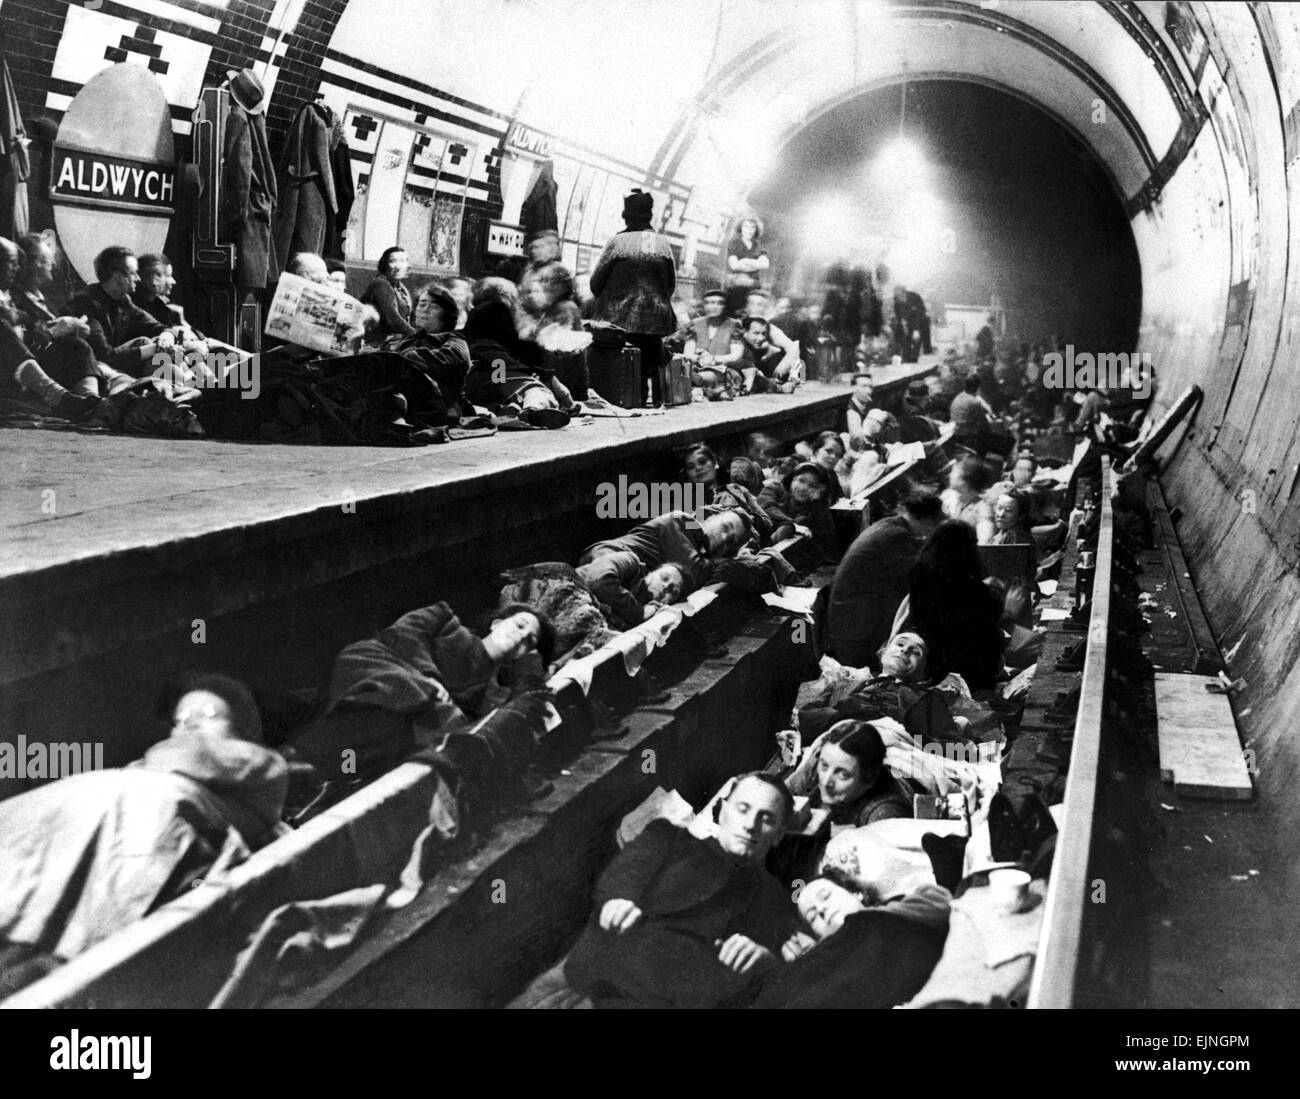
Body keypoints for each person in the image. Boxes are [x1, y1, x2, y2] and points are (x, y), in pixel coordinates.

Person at [0, 673, 289, 989]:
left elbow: (188, 756)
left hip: (145, 822)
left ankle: (38, 965)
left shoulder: (262, 763)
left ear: (242, 729)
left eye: (208, 716)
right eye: (180, 720)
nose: (189, 725)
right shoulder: (148, 770)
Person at [565, 772, 800, 1008]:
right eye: (742, 809)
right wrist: (619, 900)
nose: (750, 825)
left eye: (767, 818)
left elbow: (782, 975)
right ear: (723, 811)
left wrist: (766, 962)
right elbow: (626, 874)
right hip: (612, 975)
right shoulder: (668, 838)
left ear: (779, 834)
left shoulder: (774, 899)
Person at [287, 601, 556, 784]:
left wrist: (531, 663)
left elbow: (509, 711)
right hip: (377, 663)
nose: (521, 637)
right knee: (431, 706)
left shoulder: (491, 693)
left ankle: (302, 762)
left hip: (410, 709)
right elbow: (405, 632)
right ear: (497, 623)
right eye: (520, 625)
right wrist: (430, 679)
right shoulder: (444, 617)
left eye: (530, 641)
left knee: (411, 727)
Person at [754, 864, 951, 1009]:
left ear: (857, 892)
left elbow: (942, 902)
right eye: (813, 916)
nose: (822, 909)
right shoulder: (822, 958)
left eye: (825, 896)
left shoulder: (904, 909)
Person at [827, 491, 943, 667]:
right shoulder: (896, 535)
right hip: (855, 626)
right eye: (933, 524)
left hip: (850, 615)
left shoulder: (890, 525)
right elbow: (919, 577)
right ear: (926, 520)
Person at [589, 189, 677, 406]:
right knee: (649, 352)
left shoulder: (618, 242)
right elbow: (670, 284)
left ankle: (623, 398)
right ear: (650, 215)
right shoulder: (663, 243)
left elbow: (596, 282)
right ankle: (649, 397)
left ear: (625, 215)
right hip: (656, 321)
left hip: (620, 320)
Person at [797, 631, 964, 744]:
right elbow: (805, 717)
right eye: (900, 644)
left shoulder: (927, 699)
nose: (905, 650)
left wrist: (899, 731)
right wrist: (842, 718)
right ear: (883, 653)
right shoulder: (843, 684)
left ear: (921, 672)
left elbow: (954, 748)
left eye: (916, 652)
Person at [0, 237, 103, 419]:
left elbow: (32, 331)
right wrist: (52, 331)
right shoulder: (15, 299)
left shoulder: (6, 297)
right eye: (11, 263)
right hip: (12, 374)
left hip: (19, 369)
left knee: (77, 346)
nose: (17, 269)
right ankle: (59, 397)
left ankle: (90, 404)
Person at [906, 520, 1005, 692]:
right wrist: (993, 593)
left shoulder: (921, 570)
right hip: (964, 664)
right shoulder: (962, 582)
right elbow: (989, 616)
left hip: (932, 660)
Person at [65, 245, 186, 377]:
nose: (138, 278)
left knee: (152, 345)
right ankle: (195, 386)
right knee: (149, 346)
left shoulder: (124, 300)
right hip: (99, 372)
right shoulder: (86, 303)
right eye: (133, 273)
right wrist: (156, 348)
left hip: (118, 367)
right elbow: (105, 356)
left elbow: (154, 326)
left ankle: (196, 385)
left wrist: (166, 336)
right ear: (118, 277)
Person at [462, 285, 573, 428]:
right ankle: (532, 409)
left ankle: (501, 409)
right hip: (498, 365)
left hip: (474, 372)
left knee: (496, 392)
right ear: (508, 299)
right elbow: (518, 345)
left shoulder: (474, 316)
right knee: (534, 390)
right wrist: (546, 375)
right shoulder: (500, 311)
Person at [578, 508, 751, 592]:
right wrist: (725, 561)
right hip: (609, 559)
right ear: (711, 517)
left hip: (627, 577)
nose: (723, 538)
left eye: (731, 541)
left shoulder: (700, 549)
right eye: (725, 527)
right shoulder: (682, 522)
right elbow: (693, 574)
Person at [383, 284, 472, 422]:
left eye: (434, 307)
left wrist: (406, 357)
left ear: (446, 314)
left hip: (439, 404)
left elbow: (452, 359)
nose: (425, 310)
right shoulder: (408, 341)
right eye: (421, 304)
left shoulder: (453, 339)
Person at [683, 443, 771, 542]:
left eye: (702, 462)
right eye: (691, 467)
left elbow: (767, 523)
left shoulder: (737, 490)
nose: (698, 468)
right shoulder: (688, 503)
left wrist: (744, 517)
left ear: (715, 463)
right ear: (688, 475)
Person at [758, 461, 840, 561]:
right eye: (801, 481)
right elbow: (765, 506)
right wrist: (792, 524)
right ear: (792, 479)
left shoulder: (816, 508)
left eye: (813, 486)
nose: (804, 488)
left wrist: (819, 504)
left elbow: (829, 548)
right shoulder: (775, 488)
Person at [576, 554, 686, 628]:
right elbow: (599, 581)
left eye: (673, 591)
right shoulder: (630, 562)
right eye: (664, 577)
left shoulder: (648, 617)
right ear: (650, 573)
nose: (666, 586)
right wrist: (638, 613)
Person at [361, 246, 415, 341]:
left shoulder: (401, 288)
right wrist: (416, 335)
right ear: (384, 265)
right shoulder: (381, 284)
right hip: (375, 344)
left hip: (394, 342)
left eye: (402, 261)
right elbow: (393, 319)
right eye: (393, 261)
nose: (398, 266)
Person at [682, 289, 743, 371]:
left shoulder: (733, 325)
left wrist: (714, 358)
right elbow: (688, 353)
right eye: (708, 303)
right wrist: (700, 358)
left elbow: (736, 356)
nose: (713, 307)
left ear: (725, 306)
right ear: (704, 306)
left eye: (719, 303)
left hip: (725, 371)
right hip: (697, 368)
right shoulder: (695, 324)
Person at [942, 455, 997, 543]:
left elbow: (985, 541)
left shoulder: (983, 507)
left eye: (953, 472)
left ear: (963, 479)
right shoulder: (959, 503)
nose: (949, 475)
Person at [723, 216, 770, 316]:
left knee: (752, 314)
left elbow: (765, 264)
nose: (749, 230)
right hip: (737, 286)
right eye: (746, 227)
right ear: (741, 228)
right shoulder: (734, 242)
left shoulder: (758, 246)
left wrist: (744, 260)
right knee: (734, 314)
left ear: (756, 229)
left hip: (754, 286)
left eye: (752, 227)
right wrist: (756, 264)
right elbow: (734, 266)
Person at [840, 372, 875, 444]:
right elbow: (858, 441)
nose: (869, 391)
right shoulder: (851, 412)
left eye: (871, 387)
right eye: (864, 386)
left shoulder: (866, 406)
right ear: (853, 388)